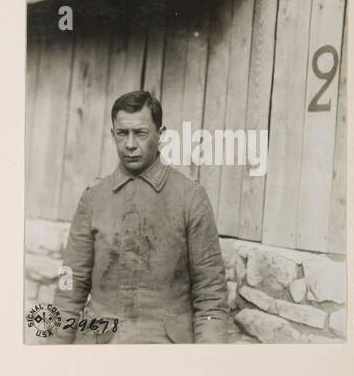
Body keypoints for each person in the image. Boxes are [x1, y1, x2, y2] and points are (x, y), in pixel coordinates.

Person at [51, 90, 229, 344]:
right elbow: (70, 284)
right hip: (101, 347)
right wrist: (55, 350)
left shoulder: (190, 198)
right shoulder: (93, 199)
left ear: (161, 135)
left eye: (141, 133)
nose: (130, 144)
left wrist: (206, 361)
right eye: (122, 134)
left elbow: (211, 295)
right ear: (113, 135)